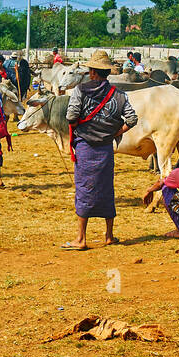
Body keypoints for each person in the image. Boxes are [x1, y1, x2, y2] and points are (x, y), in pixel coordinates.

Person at [63, 50, 137, 250]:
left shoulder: (80, 90)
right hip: (105, 149)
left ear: (94, 72)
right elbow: (132, 119)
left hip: (85, 148)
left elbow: (71, 117)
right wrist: (114, 132)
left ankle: (81, 238)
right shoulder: (119, 95)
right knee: (106, 190)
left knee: (84, 190)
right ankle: (109, 235)